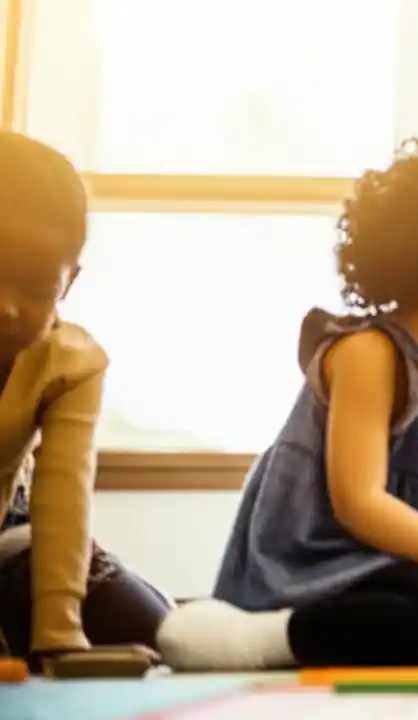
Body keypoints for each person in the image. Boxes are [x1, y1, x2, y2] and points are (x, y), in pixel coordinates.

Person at [155, 135, 418, 670]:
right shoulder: (370, 354)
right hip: (326, 570)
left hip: (398, 570)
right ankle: (251, 638)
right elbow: (362, 504)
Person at [0, 131, 173, 671]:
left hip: (10, 529)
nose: (6, 307)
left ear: (68, 283)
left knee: (157, 632)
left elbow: (65, 498)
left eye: (33, 287)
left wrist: (60, 634)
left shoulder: (71, 364)